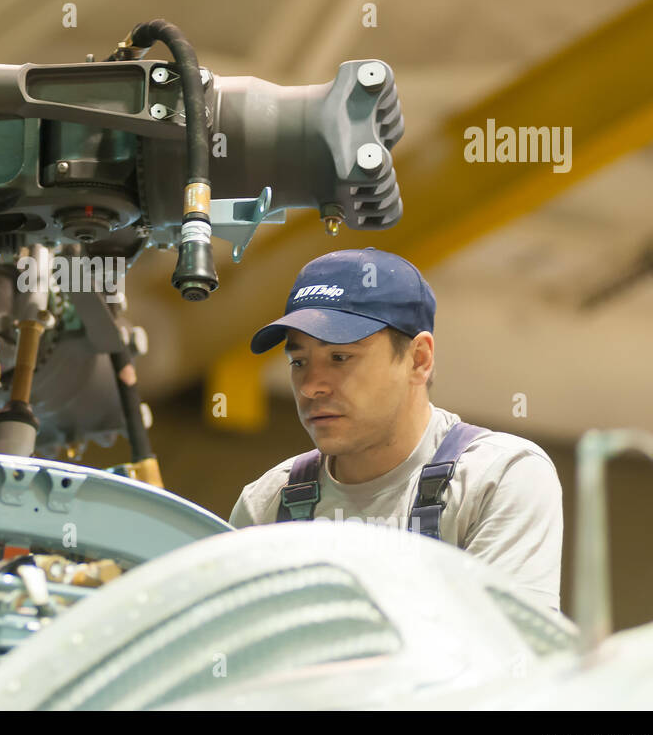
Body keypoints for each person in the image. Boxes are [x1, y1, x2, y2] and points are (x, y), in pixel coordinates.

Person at [228, 247, 563, 611]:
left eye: (339, 357)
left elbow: (507, 653)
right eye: (299, 361)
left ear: (419, 359)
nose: (310, 386)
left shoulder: (498, 479)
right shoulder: (267, 506)